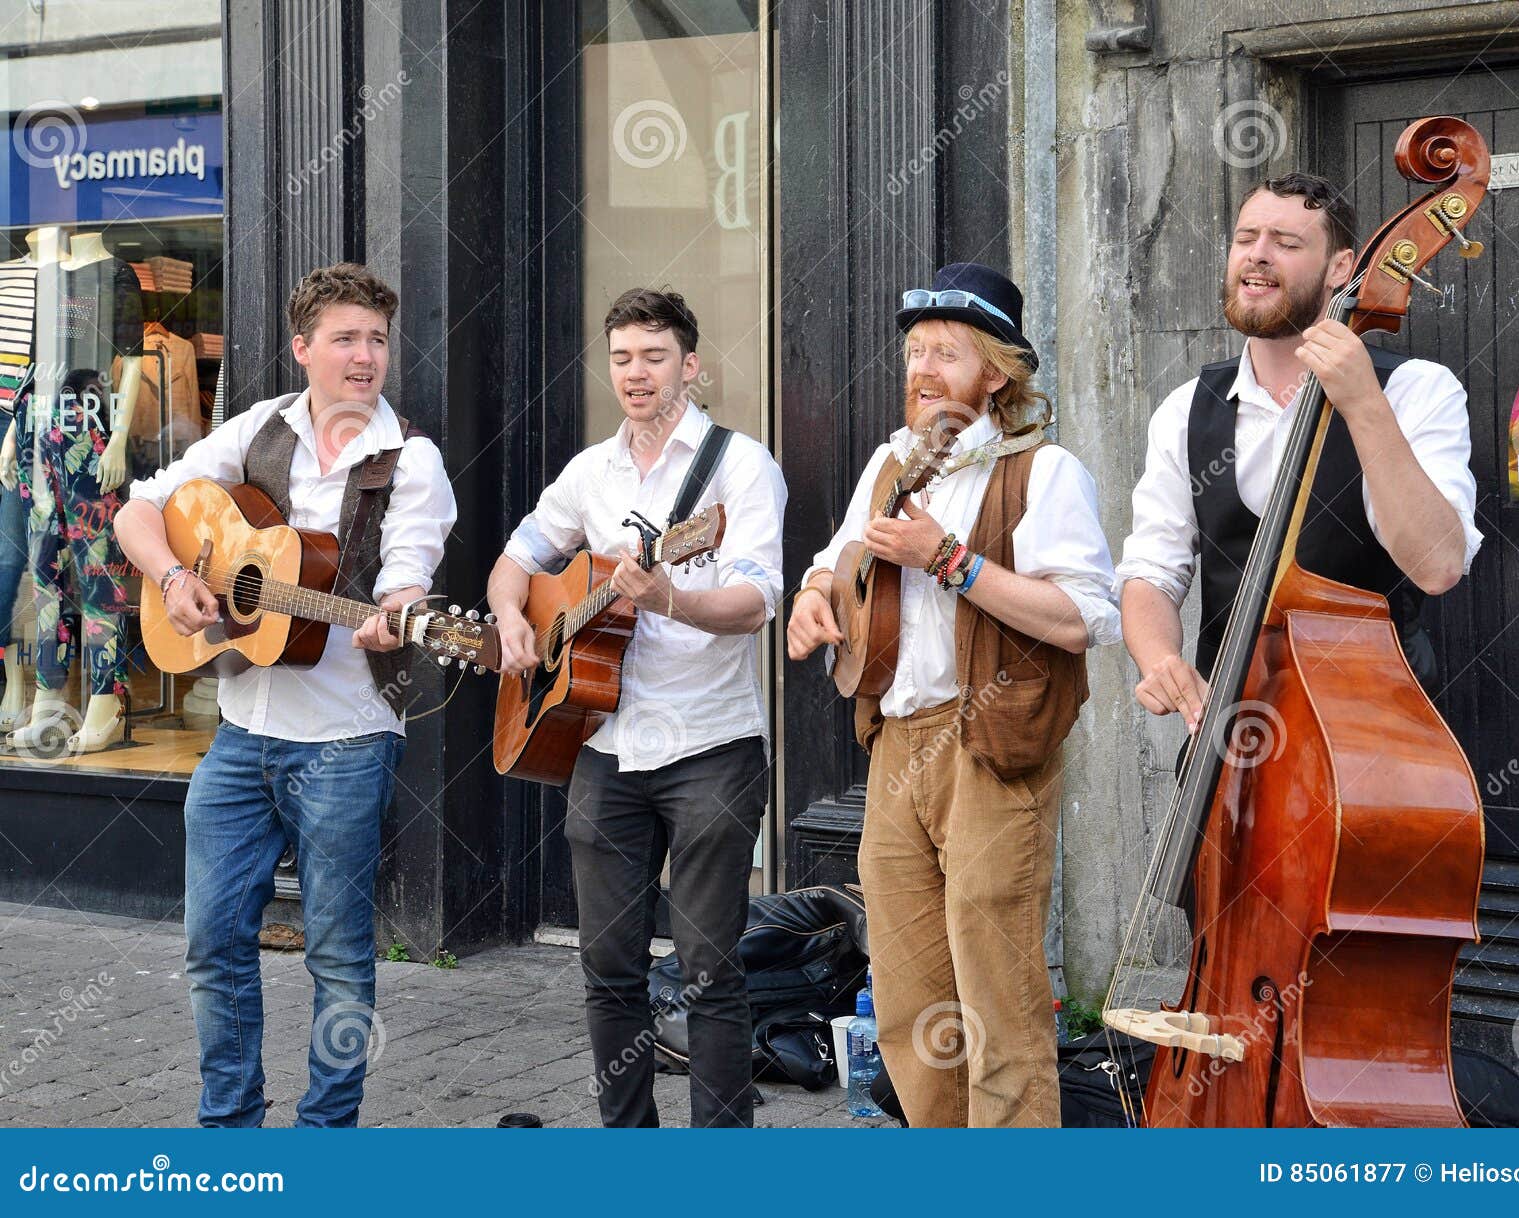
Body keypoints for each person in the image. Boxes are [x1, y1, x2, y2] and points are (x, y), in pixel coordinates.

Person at [113, 263, 457, 1126]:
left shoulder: (408, 461)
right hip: (240, 733)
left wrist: (399, 616)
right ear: (304, 348)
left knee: (339, 956)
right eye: (346, 338)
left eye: (377, 339)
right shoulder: (260, 425)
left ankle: (324, 1135)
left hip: (344, 738)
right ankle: (229, 1128)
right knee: (211, 943)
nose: (365, 355)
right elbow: (137, 511)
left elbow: (409, 576)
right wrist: (174, 578)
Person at [787, 262, 1120, 1128]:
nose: (922, 370)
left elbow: (1083, 619)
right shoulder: (889, 465)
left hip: (993, 746)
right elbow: (833, 565)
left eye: (946, 352)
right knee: (907, 1003)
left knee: (997, 1002)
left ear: (998, 372)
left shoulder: (1045, 473)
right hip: (897, 747)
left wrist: (951, 560)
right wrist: (812, 603)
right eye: (915, 352)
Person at [487, 287, 786, 1127]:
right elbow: (516, 559)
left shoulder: (740, 467)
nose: (636, 373)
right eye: (622, 357)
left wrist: (665, 599)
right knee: (607, 964)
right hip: (603, 743)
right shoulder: (590, 472)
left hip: (711, 746)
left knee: (709, 969)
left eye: (654, 356)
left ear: (691, 366)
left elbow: (757, 602)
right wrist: (514, 617)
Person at [1117, 172, 1480, 730]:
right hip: (1232, 738)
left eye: (1286, 244)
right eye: (1245, 239)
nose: (1257, 257)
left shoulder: (1415, 391)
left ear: (1341, 267)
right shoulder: (1186, 408)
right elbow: (1152, 568)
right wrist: (1160, 657)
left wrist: (1363, 405)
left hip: (1374, 737)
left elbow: (1437, 566)